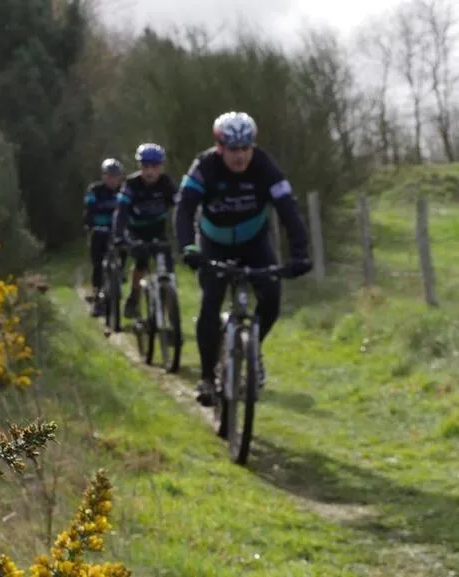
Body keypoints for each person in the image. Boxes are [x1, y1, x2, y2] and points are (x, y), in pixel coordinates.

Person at [174, 111, 312, 407]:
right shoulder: (204, 166)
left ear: (253, 146)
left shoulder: (265, 166)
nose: (240, 157)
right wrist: (188, 247)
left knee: (272, 296)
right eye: (233, 150)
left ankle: (252, 350)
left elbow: (288, 210)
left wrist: (300, 253)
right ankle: (209, 378)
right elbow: (184, 209)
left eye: (245, 148)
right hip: (213, 242)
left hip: (255, 242)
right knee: (210, 303)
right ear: (220, 148)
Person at [113, 142, 177, 319]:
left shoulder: (166, 183)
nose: (150, 171)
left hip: (158, 230)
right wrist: (119, 236)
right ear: (139, 166)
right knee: (141, 263)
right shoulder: (132, 184)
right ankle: (134, 298)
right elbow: (121, 211)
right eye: (145, 166)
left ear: (161, 167)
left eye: (154, 167)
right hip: (136, 231)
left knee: (168, 273)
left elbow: (179, 207)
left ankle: (164, 317)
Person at [83, 158, 124, 316]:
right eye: (109, 176)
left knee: (124, 249)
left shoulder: (123, 190)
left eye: (115, 176)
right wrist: (89, 224)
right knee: (98, 264)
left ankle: (120, 274)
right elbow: (89, 209)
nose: (112, 179)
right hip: (99, 230)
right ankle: (97, 295)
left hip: (116, 231)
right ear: (103, 176)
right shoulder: (95, 190)